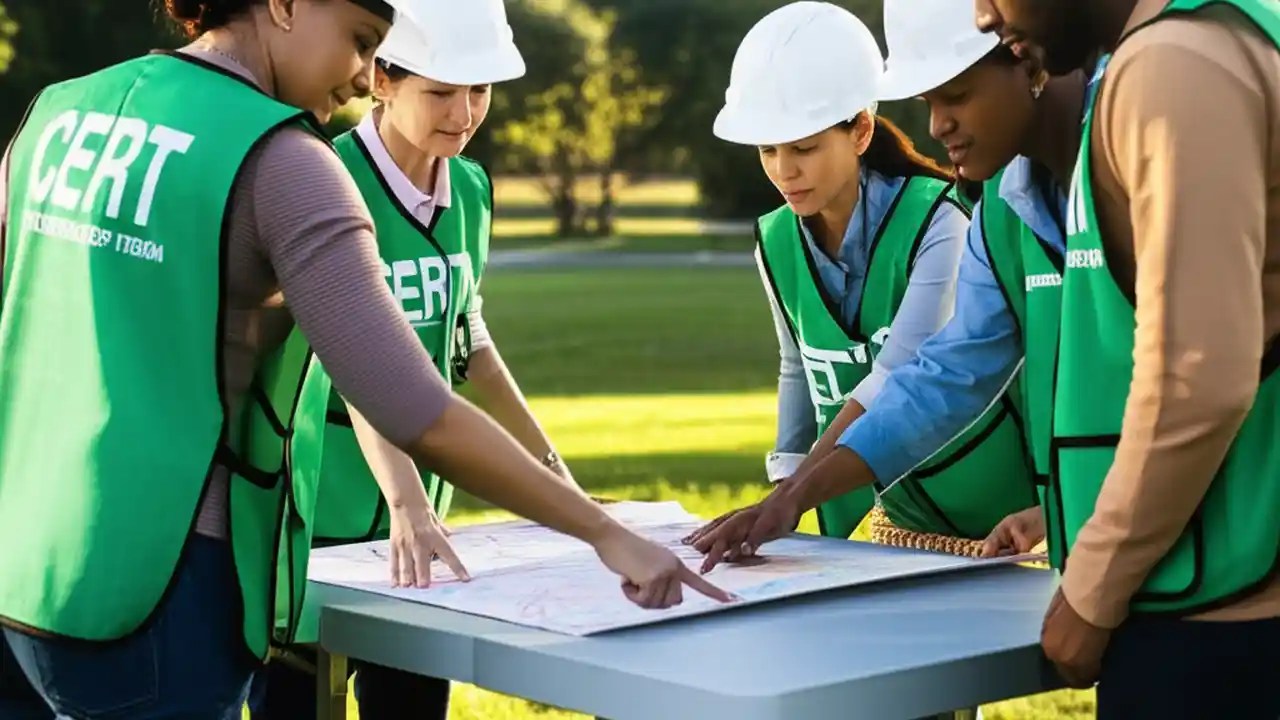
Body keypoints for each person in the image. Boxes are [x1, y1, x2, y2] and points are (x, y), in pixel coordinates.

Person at [0, 1, 729, 717]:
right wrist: (605, 534)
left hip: (21, 565)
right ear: (285, 5)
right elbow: (415, 408)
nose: (361, 75)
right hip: (167, 585)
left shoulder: (56, 113)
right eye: (360, 39)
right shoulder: (284, 160)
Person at [248, 1, 581, 717]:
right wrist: (403, 500)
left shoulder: (471, 189)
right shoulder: (320, 176)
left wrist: (554, 474)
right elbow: (351, 353)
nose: (463, 113)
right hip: (315, 509)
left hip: (425, 518)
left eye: (480, 91)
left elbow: (470, 339)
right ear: (382, 79)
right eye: (441, 91)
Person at [970, 0, 1280, 716]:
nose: (983, 15)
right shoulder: (1207, 43)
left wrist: (1094, 588)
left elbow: (1195, 377)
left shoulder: (1173, 66)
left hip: (1218, 621)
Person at [688, 0, 1037, 569]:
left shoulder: (941, 219)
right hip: (893, 518)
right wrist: (787, 478)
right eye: (768, 150)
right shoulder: (775, 238)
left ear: (861, 131)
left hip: (1000, 520)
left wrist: (789, 498)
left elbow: (902, 376)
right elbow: (797, 366)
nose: (783, 169)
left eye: (802, 147)